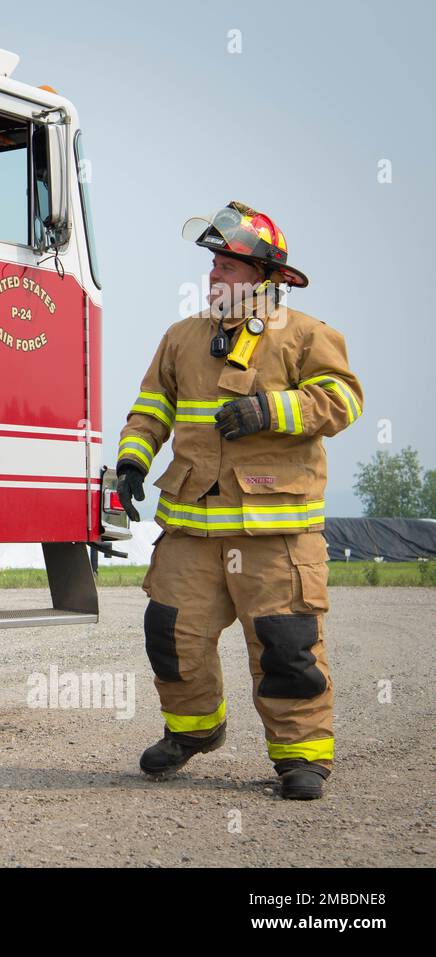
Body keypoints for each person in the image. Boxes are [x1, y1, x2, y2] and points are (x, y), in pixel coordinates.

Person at [116, 201, 363, 800]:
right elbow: (152, 409)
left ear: (265, 276)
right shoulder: (181, 338)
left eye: (228, 265)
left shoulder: (307, 335)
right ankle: (194, 731)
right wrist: (131, 461)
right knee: (171, 634)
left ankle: (302, 757)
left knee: (285, 647)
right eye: (213, 265)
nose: (214, 276)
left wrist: (270, 409)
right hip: (192, 528)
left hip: (276, 534)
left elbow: (344, 400)